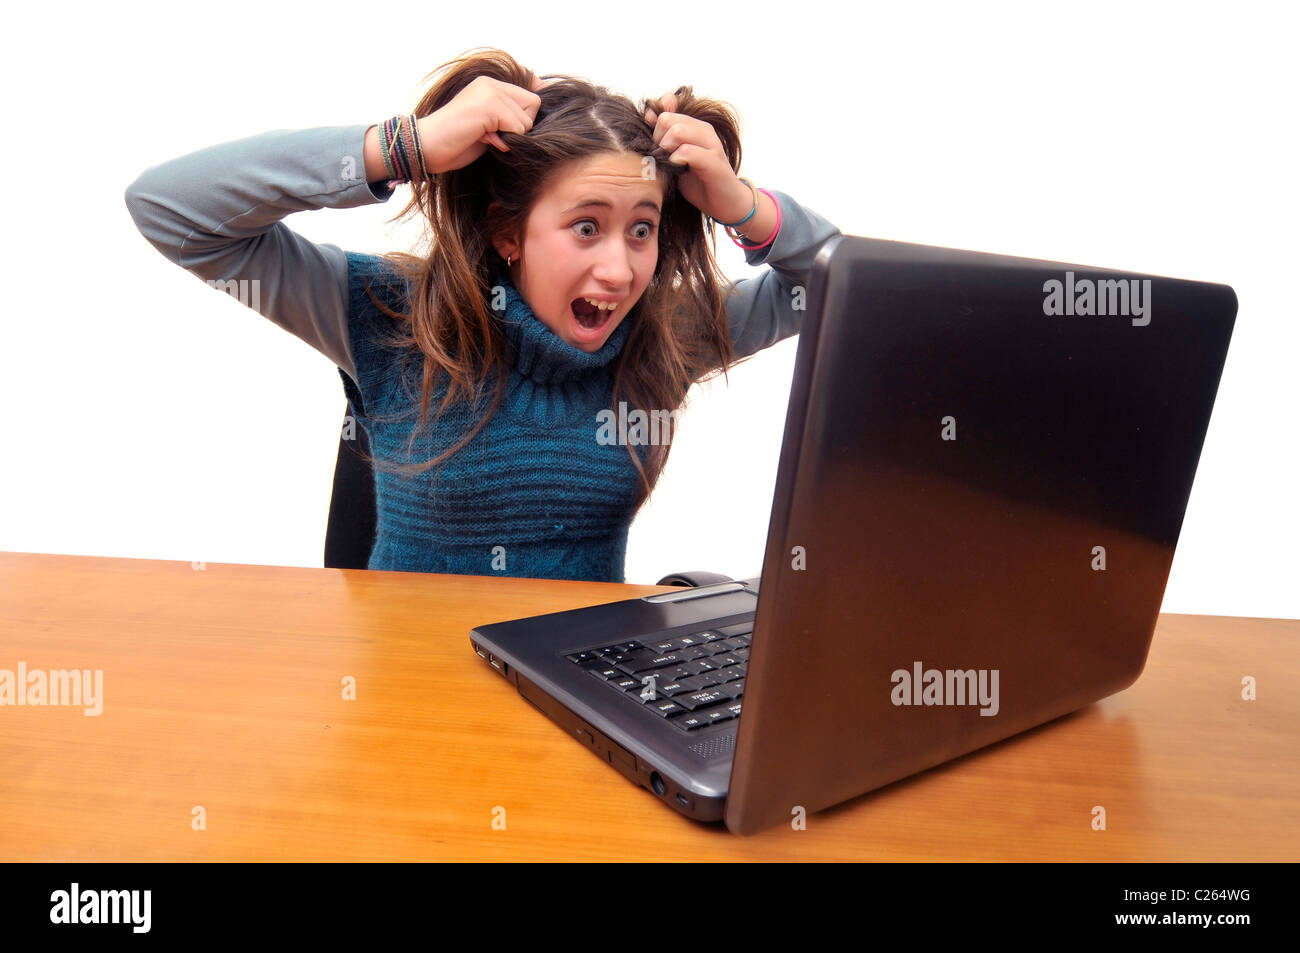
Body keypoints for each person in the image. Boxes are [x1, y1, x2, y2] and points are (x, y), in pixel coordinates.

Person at [124, 48, 843, 583]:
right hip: (412, 696)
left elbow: (842, 285)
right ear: (508, 232)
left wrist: (743, 206)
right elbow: (169, 208)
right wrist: (402, 146)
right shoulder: (386, 316)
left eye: (642, 228)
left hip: (581, 702)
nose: (620, 269)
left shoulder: (664, 339)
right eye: (586, 227)